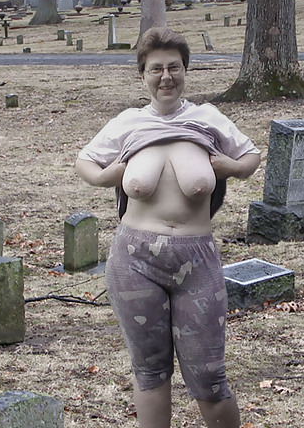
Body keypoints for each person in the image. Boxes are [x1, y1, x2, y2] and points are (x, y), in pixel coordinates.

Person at [76, 27, 261, 428]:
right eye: (156, 69)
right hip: (134, 261)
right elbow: (85, 161)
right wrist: (106, 177)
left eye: (174, 67)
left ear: (185, 70)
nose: (166, 77)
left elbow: (251, 156)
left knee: (209, 377)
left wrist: (231, 167)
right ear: (143, 74)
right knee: (150, 370)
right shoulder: (129, 122)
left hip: (197, 261)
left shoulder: (206, 117)